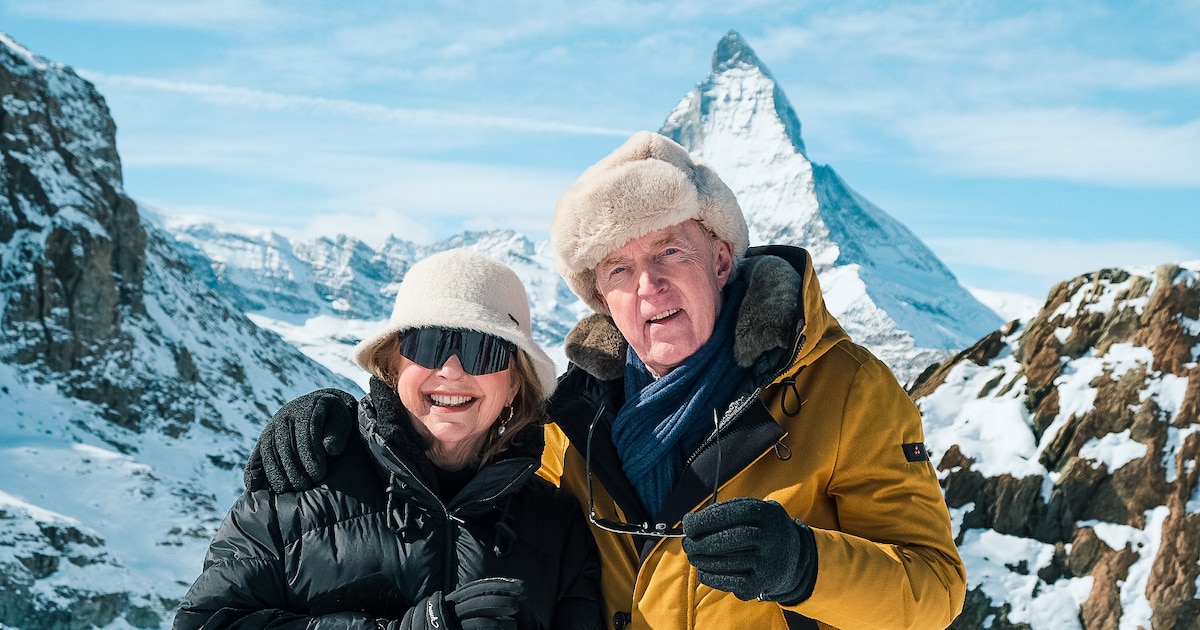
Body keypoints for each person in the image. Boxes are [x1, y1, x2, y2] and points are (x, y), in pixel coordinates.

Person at [247, 132, 967, 629]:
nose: (648, 286)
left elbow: (934, 591)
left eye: (670, 254)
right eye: (619, 270)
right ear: (599, 297)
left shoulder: (844, 387)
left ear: (720, 260)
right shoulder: (571, 413)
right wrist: (341, 427)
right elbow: (455, 473)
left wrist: (803, 564)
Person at [175, 249, 604, 630]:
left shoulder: (558, 525)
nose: (452, 371)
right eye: (429, 344)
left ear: (515, 383)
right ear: (393, 366)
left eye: (484, 351)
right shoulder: (296, 487)